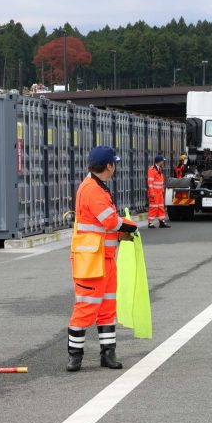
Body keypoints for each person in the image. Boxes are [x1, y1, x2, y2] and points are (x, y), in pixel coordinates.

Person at [67, 146, 138, 372]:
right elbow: (108, 221)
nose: (115, 166)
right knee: (85, 308)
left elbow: (101, 226)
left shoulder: (96, 186)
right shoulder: (92, 189)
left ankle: (108, 354)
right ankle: (75, 357)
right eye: (114, 163)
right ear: (109, 166)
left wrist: (120, 234)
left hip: (104, 259)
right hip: (91, 261)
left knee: (107, 308)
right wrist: (130, 226)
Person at [146, 154, 170, 228]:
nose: (163, 162)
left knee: (161, 207)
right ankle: (150, 223)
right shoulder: (152, 169)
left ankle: (161, 221)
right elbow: (150, 182)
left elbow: (160, 181)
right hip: (154, 193)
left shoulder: (159, 169)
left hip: (159, 193)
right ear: (159, 161)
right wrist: (152, 193)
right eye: (162, 161)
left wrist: (162, 190)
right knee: (153, 208)